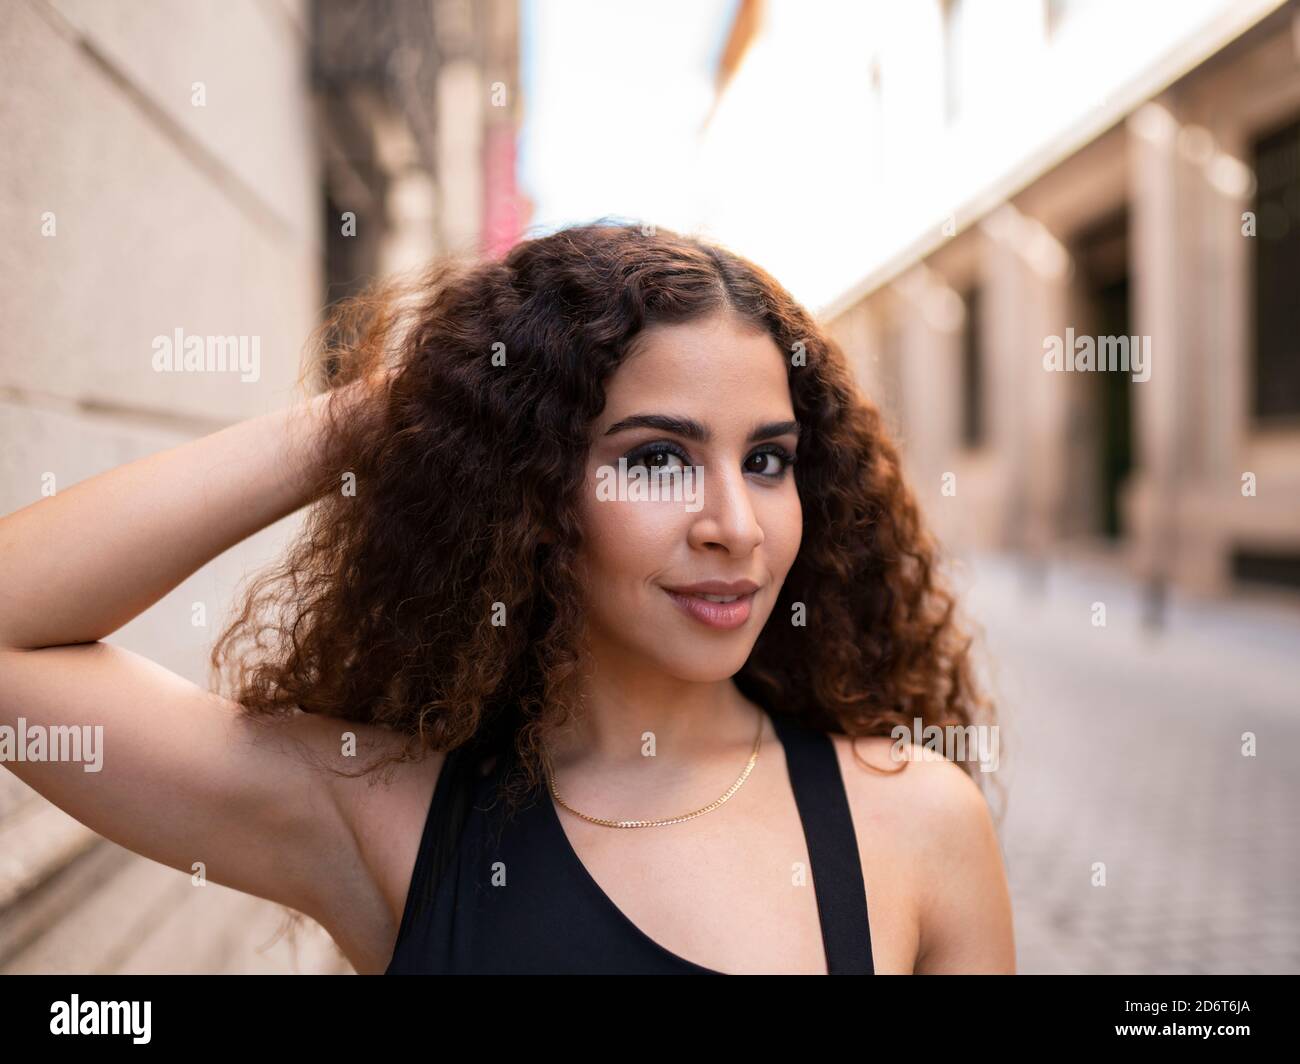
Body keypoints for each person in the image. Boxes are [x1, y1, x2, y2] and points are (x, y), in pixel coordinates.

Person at [0, 221, 1014, 975]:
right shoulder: (389, 813)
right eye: (657, 458)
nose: (735, 526)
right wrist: (388, 413)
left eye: (766, 460)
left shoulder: (915, 821)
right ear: (527, 485)